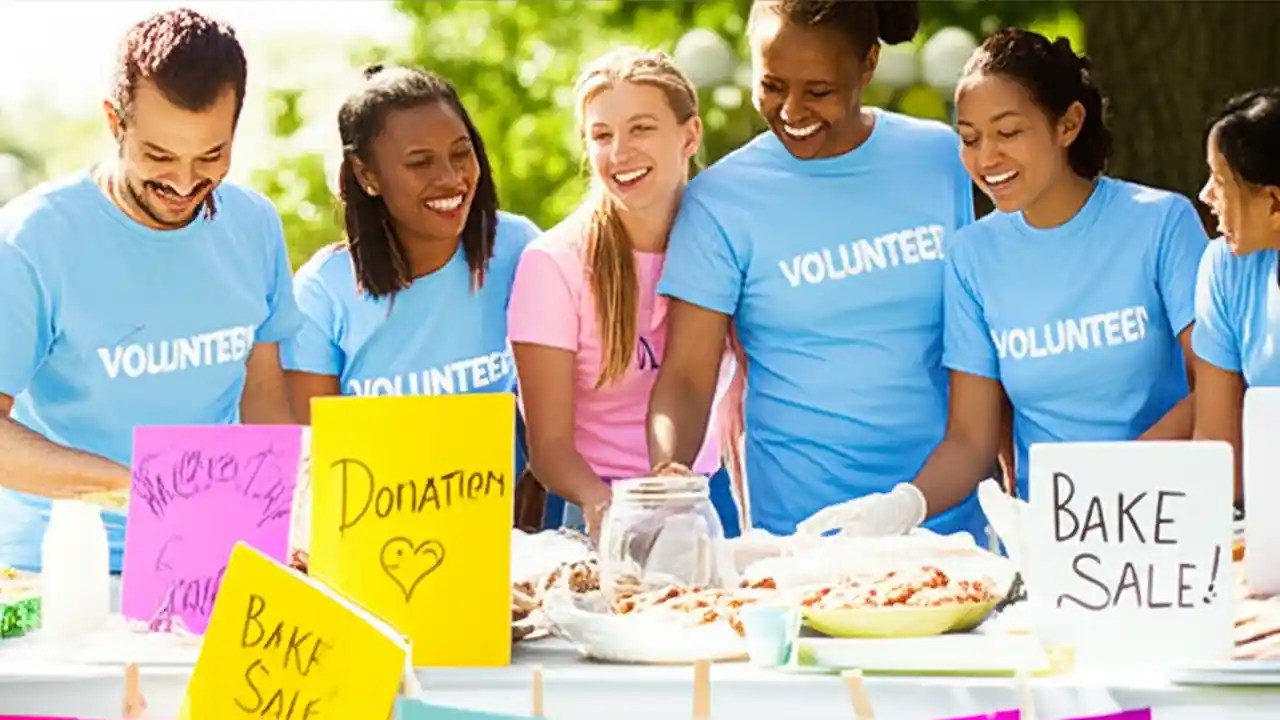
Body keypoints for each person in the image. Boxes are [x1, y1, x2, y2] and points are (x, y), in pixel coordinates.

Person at [801, 28, 1210, 536]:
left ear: (1068, 124)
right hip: (1051, 541)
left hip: (1173, 523)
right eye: (970, 139)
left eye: (1008, 132)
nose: (986, 157)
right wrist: (902, 507)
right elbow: (971, 440)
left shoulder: (1160, 224)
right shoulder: (972, 256)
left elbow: (1216, 384)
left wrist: (1110, 485)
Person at [648, 0, 987, 543]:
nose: (792, 110)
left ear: (868, 65)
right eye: (773, 86)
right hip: (798, 543)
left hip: (947, 532)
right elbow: (688, 375)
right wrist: (669, 473)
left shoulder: (943, 160)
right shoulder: (721, 201)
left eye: (820, 91)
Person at [0, 9, 299, 573]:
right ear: (115, 122)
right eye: (159, 156)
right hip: (65, 572)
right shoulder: (30, 240)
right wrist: (143, 491)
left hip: (219, 560)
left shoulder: (255, 225)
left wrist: (286, 523)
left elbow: (263, 400)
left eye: (211, 156)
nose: (185, 183)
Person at [508, 48, 739, 542]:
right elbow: (548, 446)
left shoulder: (728, 243)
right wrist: (606, 508)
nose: (620, 153)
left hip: (707, 494)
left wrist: (676, 486)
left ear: (690, 134)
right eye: (602, 135)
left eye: (641, 129)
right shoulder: (553, 264)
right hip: (599, 505)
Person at [282, 66, 540, 455]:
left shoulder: (518, 248)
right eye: (420, 163)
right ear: (366, 174)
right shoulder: (322, 293)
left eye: (461, 153)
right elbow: (312, 463)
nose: (451, 177)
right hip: (375, 513)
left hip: (513, 515)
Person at [1192, 87, 1280, 502]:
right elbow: (1215, 453)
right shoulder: (1224, 267)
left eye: (1220, 181)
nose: (1205, 196)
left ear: (1274, 202)